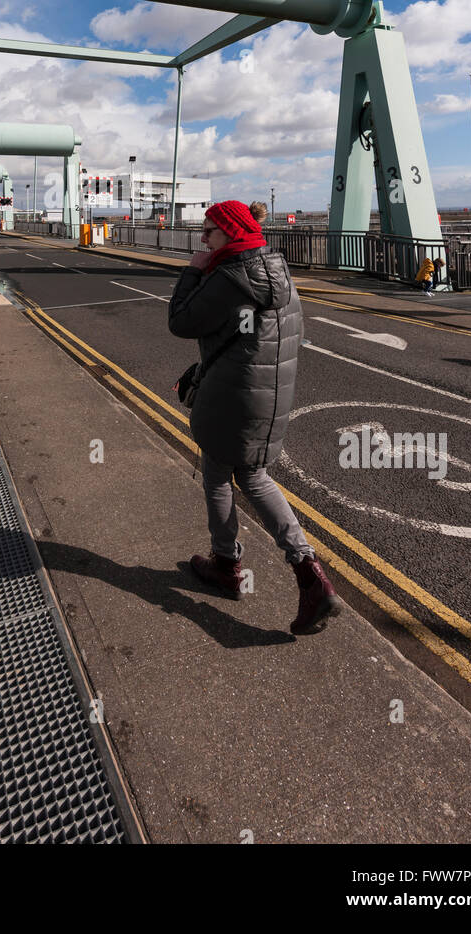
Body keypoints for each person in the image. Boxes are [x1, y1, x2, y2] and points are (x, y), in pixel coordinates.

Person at [168, 200, 341, 635]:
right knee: (254, 476)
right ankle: (309, 573)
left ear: (230, 233)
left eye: (210, 231)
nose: (203, 239)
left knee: (217, 475)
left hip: (231, 399)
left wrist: (192, 269)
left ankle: (226, 563)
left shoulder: (228, 277)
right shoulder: (277, 270)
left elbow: (181, 321)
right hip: (269, 396)